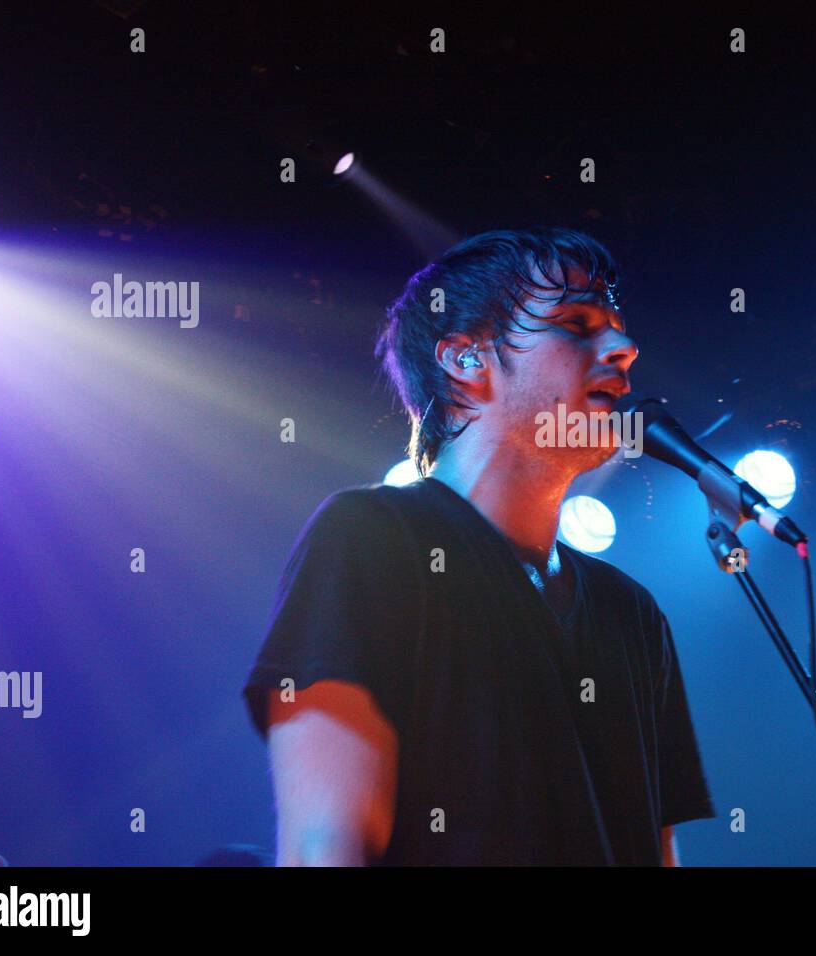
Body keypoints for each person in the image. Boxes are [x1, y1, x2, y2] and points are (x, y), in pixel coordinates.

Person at [243, 227, 715, 865]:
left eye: (618, 326)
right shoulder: (371, 539)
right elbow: (324, 847)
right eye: (577, 323)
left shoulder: (632, 613)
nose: (625, 348)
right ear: (466, 359)